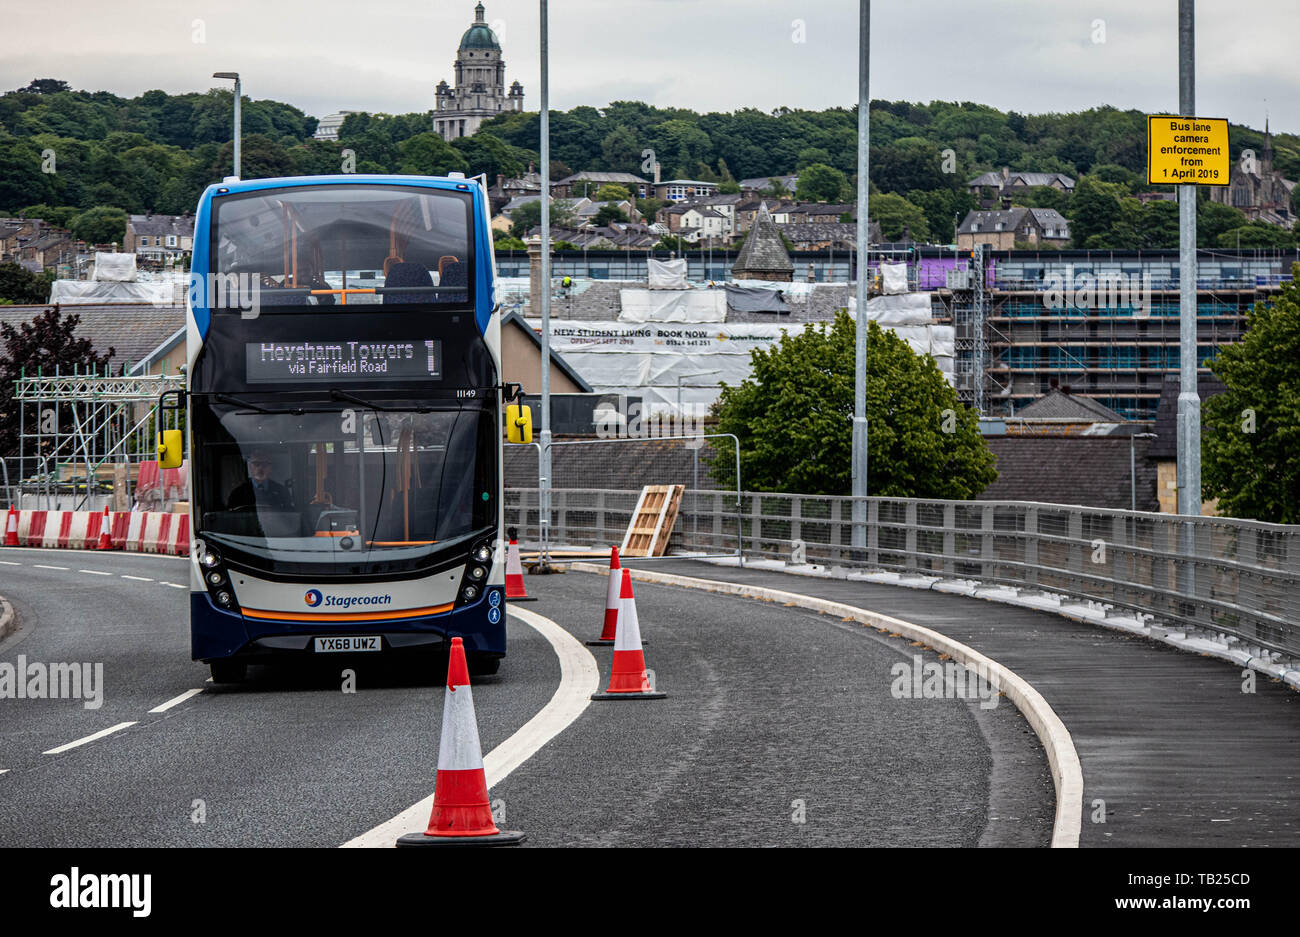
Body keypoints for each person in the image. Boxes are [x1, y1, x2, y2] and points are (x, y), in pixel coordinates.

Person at [226, 449, 293, 511]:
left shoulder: (282, 491)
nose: (260, 468)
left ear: (270, 467)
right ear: (249, 466)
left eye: (265, 464)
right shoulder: (238, 493)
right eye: (256, 464)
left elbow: (290, 516)